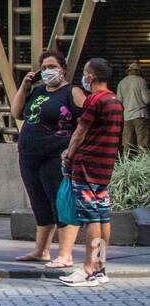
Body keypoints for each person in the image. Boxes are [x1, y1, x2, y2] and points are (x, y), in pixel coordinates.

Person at [9, 49, 84, 265]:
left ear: (63, 69)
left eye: (52, 67)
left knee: (59, 202)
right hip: (29, 155)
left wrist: (72, 151)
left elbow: (85, 123)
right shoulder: (38, 91)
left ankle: (65, 254)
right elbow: (16, 112)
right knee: (38, 202)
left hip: (56, 155)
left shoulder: (72, 92)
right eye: (43, 68)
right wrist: (24, 87)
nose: (47, 71)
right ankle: (41, 251)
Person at [58, 57, 124, 287]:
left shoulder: (94, 100)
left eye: (85, 73)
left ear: (92, 76)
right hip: (104, 167)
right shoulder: (115, 100)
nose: (83, 78)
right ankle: (100, 267)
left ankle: (89, 268)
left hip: (87, 167)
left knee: (92, 218)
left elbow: (79, 132)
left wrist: (68, 154)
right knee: (103, 216)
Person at [116, 61, 148, 156]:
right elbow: (146, 100)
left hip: (127, 116)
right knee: (142, 141)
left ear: (129, 71)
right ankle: (143, 161)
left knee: (127, 142)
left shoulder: (121, 83)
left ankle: (126, 162)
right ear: (138, 71)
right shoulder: (141, 81)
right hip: (140, 115)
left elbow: (119, 100)